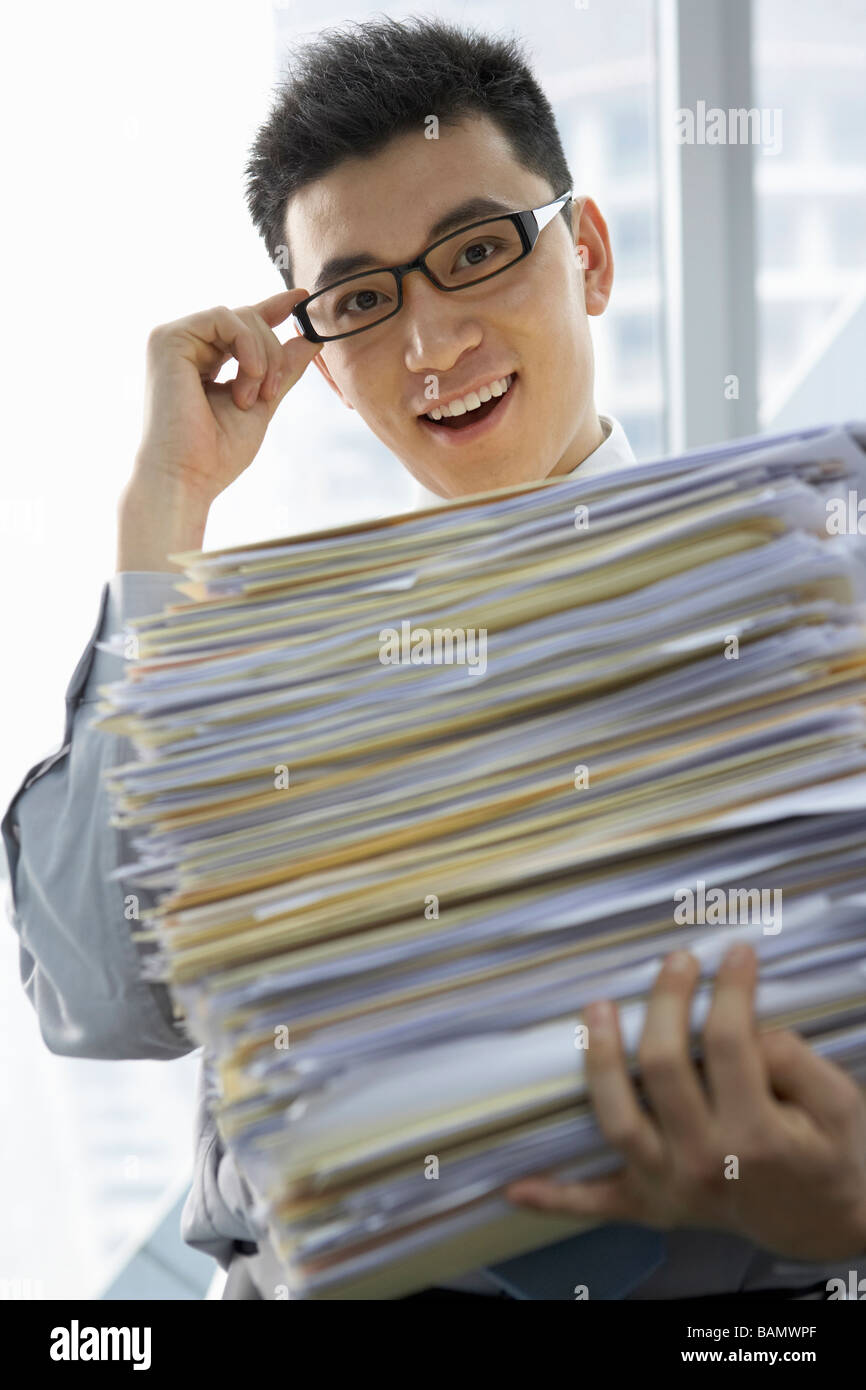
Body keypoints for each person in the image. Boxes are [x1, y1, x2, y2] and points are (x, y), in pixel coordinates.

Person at [3, 15, 866, 1302]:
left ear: (585, 255)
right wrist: (162, 510)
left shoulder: (809, 602)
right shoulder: (254, 670)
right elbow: (95, 995)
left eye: (475, 251)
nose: (428, 343)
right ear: (328, 371)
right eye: (359, 299)